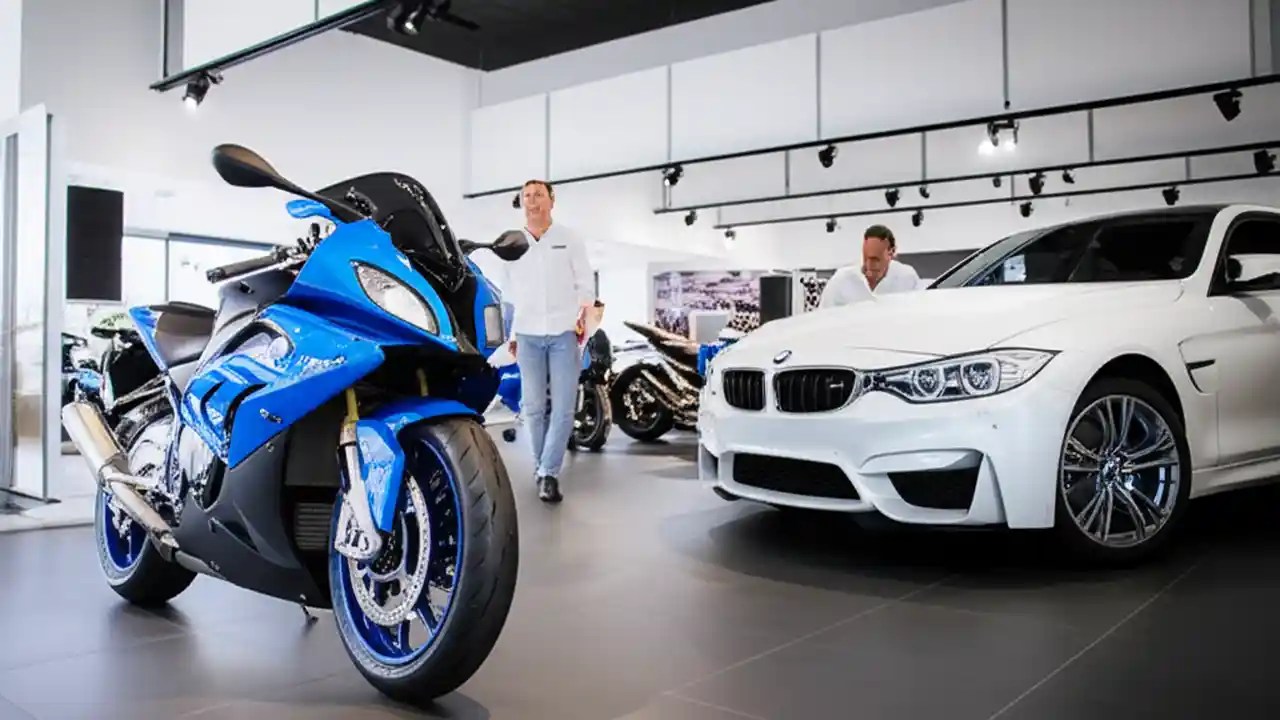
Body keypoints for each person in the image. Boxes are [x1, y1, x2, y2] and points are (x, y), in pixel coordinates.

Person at [500, 179, 595, 503]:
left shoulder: (568, 239)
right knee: (533, 407)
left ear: (551, 201)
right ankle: (542, 469)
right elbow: (509, 295)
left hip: (563, 332)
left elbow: (585, 284)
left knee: (565, 408)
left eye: (538, 194)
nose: (532, 200)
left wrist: (583, 320)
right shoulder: (512, 243)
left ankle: (548, 473)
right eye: (526, 195)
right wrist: (510, 335)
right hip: (527, 334)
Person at [819, 224, 925, 308]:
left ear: (891, 252)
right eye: (866, 258)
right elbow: (822, 320)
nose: (869, 265)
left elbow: (918, 316)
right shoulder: (841, 281)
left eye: (875, 259)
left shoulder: (908, 279)